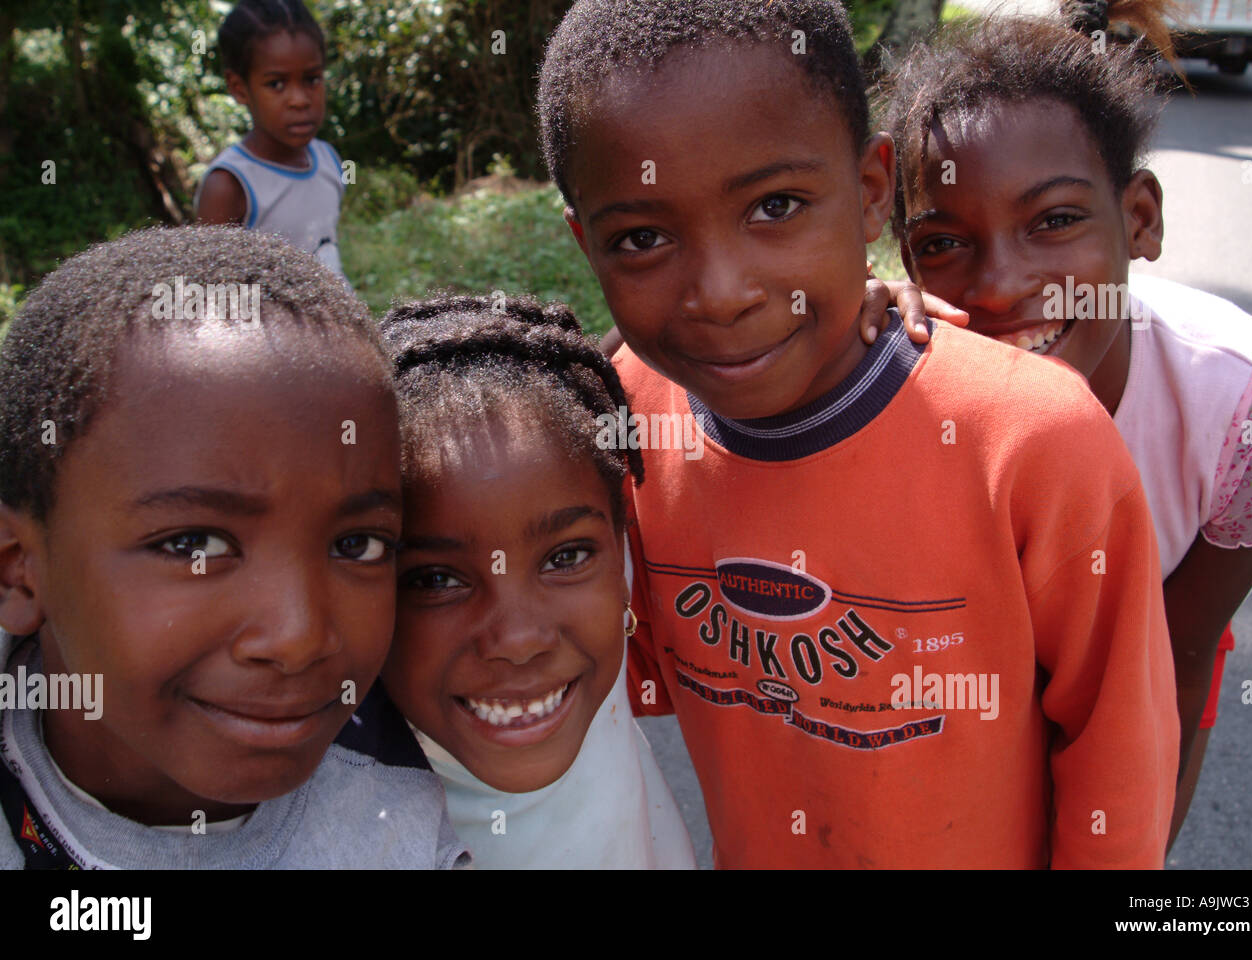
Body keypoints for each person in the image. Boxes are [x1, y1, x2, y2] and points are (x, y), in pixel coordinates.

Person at [538, 0, 1179, 868]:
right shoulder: (622, 434)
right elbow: (620, 674)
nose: (721, 291)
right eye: (643, 237)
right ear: (586, 243)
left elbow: (1121, 757)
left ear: (872, 191)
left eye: (776, 206)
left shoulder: (1034, 439)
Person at [879, 0, 1252, 849]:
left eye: (1056, 221)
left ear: (1139, 219)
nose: (1000, 285)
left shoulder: (1250, 405)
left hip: (1152, 661)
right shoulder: (886, 383)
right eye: (944, 244)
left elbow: (1174, 670)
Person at [0, 226, 466, 869]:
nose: (298, 638)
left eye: (357, 545)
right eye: (194, 543)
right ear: (18, 573)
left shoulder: (408, 814)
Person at [379, 293, 695, 869]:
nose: (520, 639)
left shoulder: (604, 575)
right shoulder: (342, 824)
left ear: (620, 547)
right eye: (435, 579)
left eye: (563, 558)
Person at [195, 0, 349, 281]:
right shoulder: (229, 185)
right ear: (239, 89)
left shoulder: (328, 159)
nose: (300, 100)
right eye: (276, 84)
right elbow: (209, 290)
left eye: (312, 79)